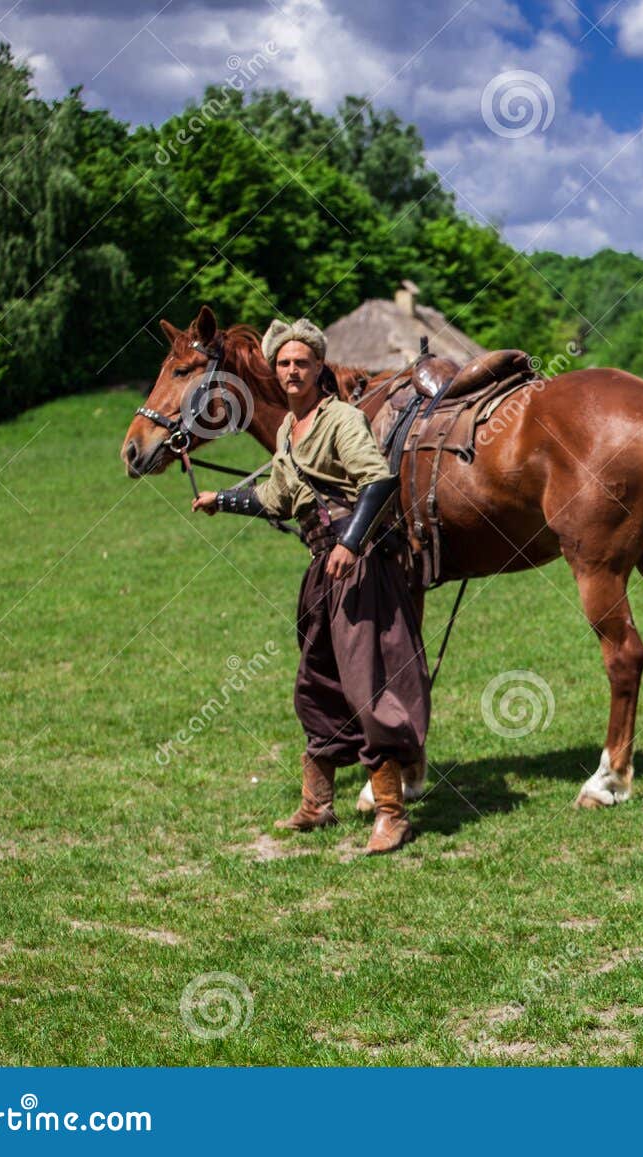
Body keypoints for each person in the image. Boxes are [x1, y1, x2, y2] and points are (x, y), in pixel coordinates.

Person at [193, 317, 426, 855]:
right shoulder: (285, 432)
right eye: (284, 363)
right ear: (274, 373)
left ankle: (391, 813)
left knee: (368, 686)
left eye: (303, 362)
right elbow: (276, 499)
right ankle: (318, 803)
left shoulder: (340, 417)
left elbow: (379, 479)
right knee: (317, 681)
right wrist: (222, 500)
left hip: (359, 566)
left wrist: (350, 544)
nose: (293, 370)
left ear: (319, 367)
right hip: (323, 568)